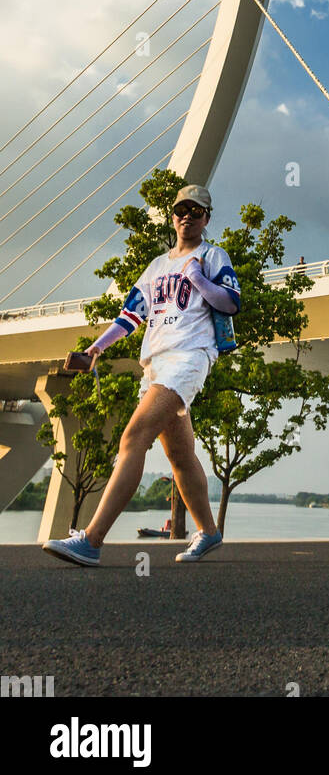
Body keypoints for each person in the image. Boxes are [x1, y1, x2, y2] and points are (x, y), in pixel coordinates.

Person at [43, 185, 239, 566]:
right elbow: (130, 316)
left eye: (196, 211)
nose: (188, 215)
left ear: (207, 218)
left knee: (134, 436)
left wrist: (198, 279)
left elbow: (231, 302)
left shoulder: (213, 256)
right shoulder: (156, 266)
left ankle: (91, 540)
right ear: (172, 216)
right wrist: (98, 347)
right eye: (182, 209)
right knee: (180, 454)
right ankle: (210, 532)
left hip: (189, 357)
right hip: (155, 363)